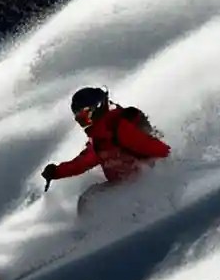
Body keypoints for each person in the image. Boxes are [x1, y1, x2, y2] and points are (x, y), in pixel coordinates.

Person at [41, 87, 170, 206]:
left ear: (97, 108)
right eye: (80, 120)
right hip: (125, 186)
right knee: (89, 199)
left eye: (85, 117)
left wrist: (167, 171)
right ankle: (95, 229)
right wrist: (56, 172)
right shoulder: (100, 138)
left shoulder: (120, 129)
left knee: (91, 200)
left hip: (145, 185)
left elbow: (160, 151)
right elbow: (84, 161)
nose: (84, 124)